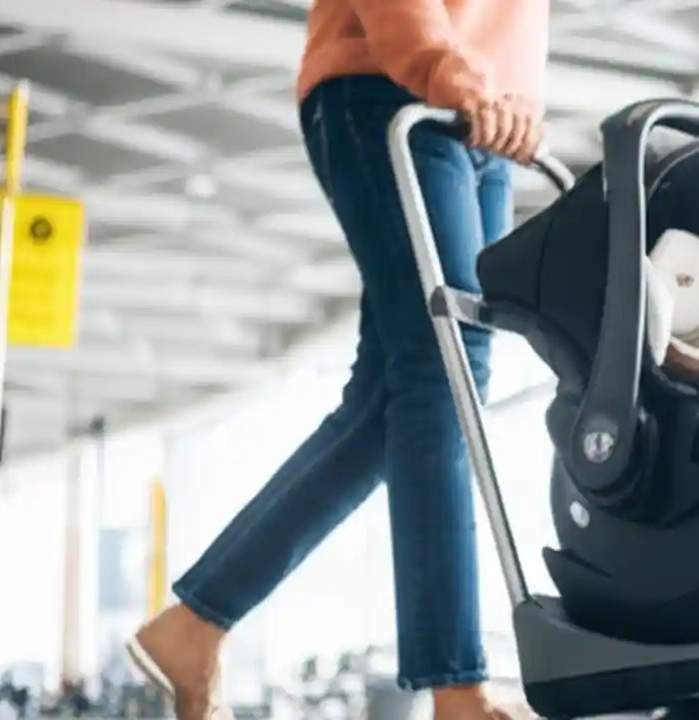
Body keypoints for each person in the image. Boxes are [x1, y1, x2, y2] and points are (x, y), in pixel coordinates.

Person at [125, 1, 549, 719]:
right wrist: (453, 74)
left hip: (490, 113)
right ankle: (454, 687)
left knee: (391, 399)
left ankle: (195, 625)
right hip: (400, 80)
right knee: (444, 369)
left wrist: (512, 96)